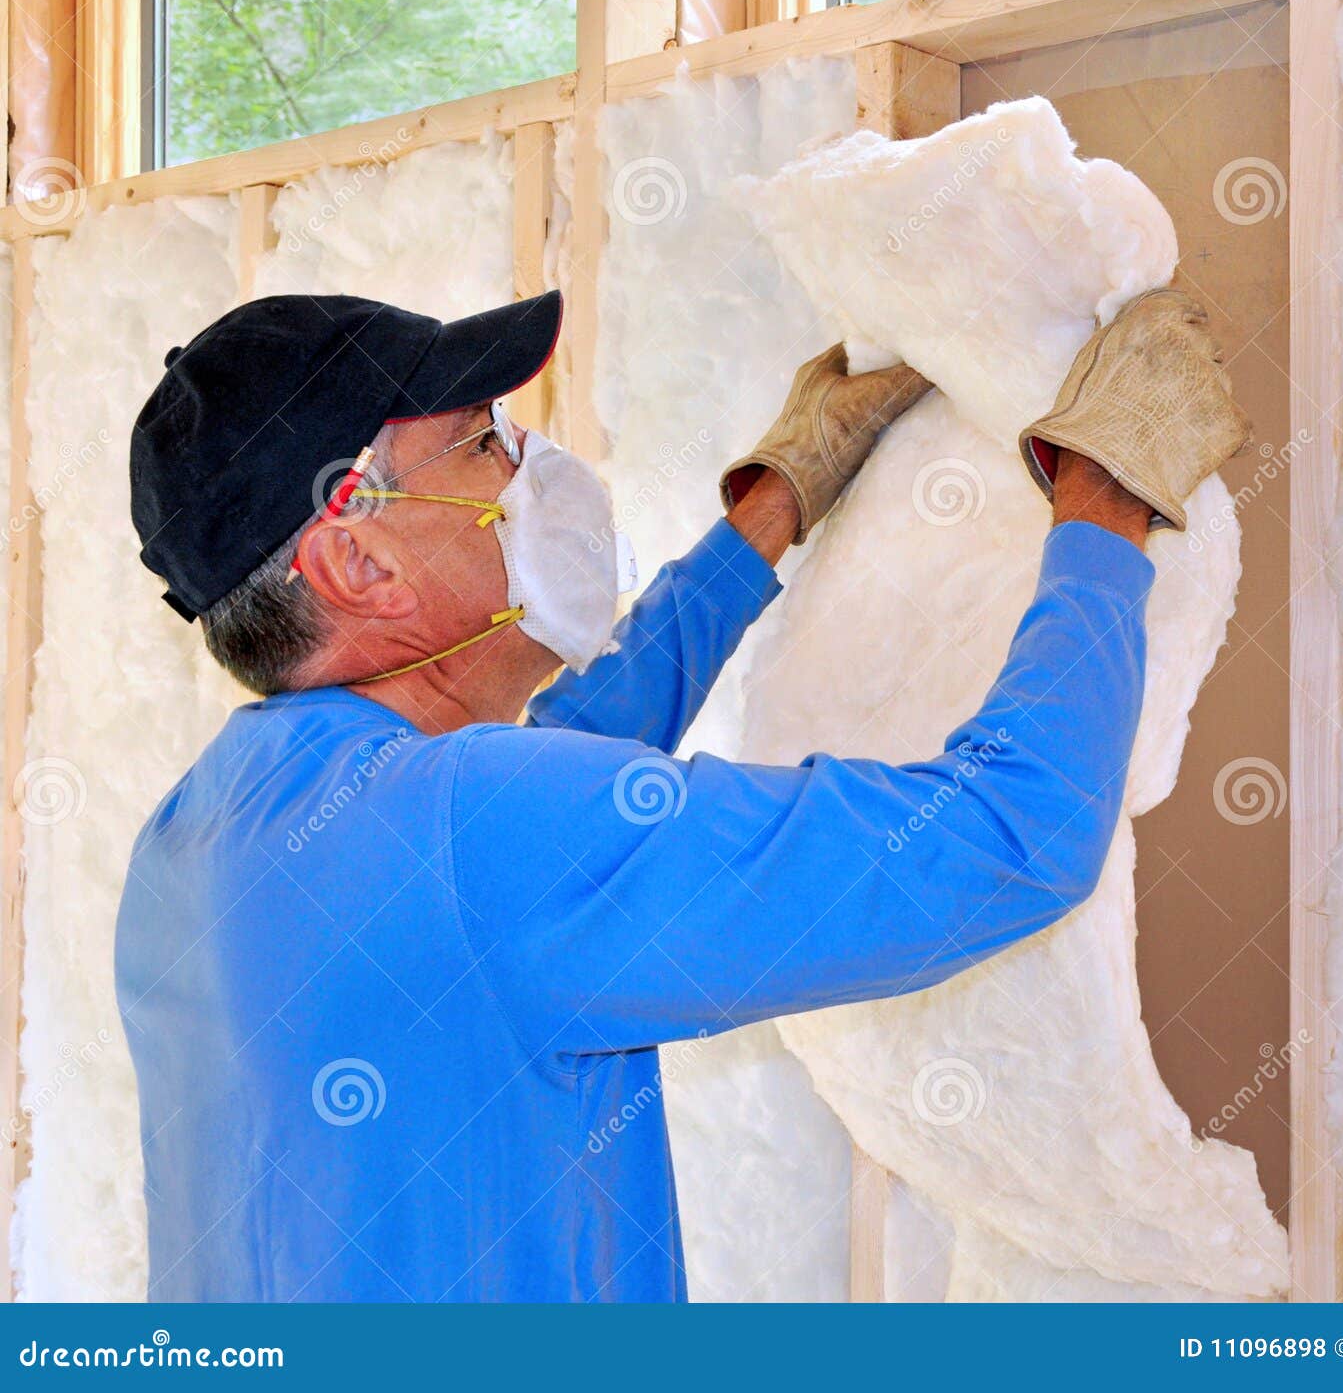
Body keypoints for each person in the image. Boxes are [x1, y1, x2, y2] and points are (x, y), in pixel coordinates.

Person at [116, 285, 1248, 1301]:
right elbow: (1010, 833)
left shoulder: (197, 837)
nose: (529, 462)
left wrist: (768, 516)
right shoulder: (481, 832)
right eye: (481, 443)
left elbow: (536, 801)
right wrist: (1105, 501)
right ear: (359, 563)